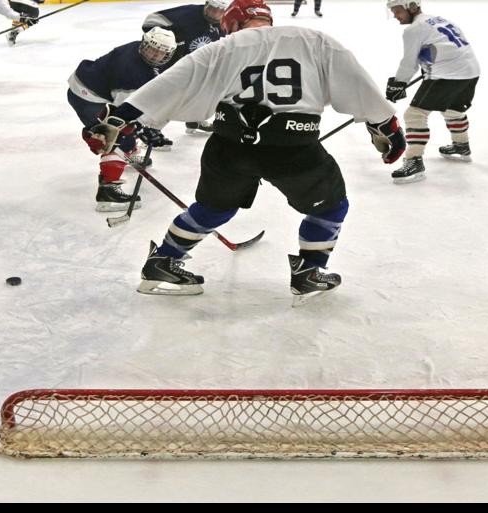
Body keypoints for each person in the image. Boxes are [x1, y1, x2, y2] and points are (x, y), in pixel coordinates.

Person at [90, 2, 404, 301]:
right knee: (329, 207)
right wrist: (385, 124)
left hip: (228, 145)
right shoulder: (314, 40)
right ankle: (310, 270)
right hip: (292, 147)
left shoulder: (224, 47)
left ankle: (163, 261)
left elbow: (175, 81)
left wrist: (124, 117)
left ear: (232, 24)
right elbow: (355, 82)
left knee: (214, 207)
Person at [70, 28, 178, 211]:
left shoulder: (137, 52)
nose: (156, 55)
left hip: (95, 89)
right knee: (117, 134)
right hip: (88, 96)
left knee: (126, 128)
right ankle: (108, 192)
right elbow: (123, 112)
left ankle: (126, 152)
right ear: (144, 44)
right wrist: (144, 129)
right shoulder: (130, 69)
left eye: (162, 53)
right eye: (152, 49)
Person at [383, 0, 479, 183]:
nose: (395, 15)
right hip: (471, 71)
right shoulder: (439, 19)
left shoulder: (413, 29)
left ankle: (414, 162)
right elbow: (453, 46)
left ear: (411, 6)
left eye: (397, 10)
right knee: (453, 108)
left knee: (414, 114)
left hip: (448, 74)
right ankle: (461, 146)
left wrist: (398, 83)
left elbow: (409, 63)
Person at [140, 1, 230, 143]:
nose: (215, 13)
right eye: (212, 8)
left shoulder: (227, 20)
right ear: (206, 4)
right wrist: (173, 35)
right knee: (172, 97)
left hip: (198, 65)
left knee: (205, 92)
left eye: (220, 10)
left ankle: (195, 119)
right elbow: (150, 21)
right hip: (173, 66)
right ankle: (151, 130)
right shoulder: (188, 13)